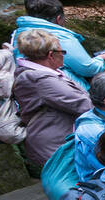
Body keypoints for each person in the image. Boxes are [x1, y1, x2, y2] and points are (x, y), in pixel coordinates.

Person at [10, 28, 89, 168]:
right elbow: (82, 104)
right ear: (51, 55)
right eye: (62, 52)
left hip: (58, 143)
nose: (63, 55)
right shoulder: (39, 79)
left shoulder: (40, 74)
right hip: (55, 147)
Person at [9, 0, 105, 92]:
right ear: (58, 19)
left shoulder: (19, 33)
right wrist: (100, 60)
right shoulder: (61, 37)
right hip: (65, 90)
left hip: (27, 89)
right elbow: (87, 68)